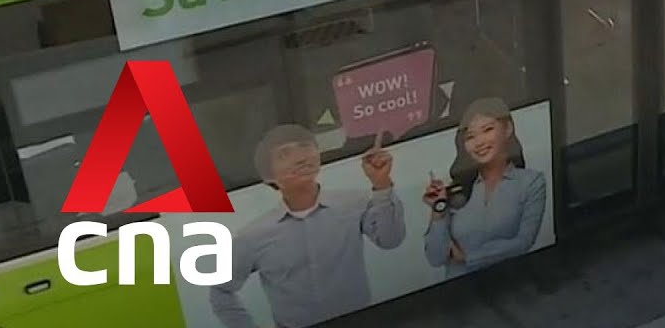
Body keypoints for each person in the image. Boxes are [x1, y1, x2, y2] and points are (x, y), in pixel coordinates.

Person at [209, 126, 406, 328]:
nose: (300, 158)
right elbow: (220, 291)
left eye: (305, 147)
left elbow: (391, 240)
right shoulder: (253, 236)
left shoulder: (354, 203)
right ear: (269, 174)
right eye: (284, 154)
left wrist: (381, 184)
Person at [423, 98, 547, 278]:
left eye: (487, 130)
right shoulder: (457, 190)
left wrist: (468, 257)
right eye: (470, 137)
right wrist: (438, 211)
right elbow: (435, 258)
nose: (479, 142)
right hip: (459, 288)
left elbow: (524, 242)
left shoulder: (531, 182)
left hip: (512, 283)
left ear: (508, 128)